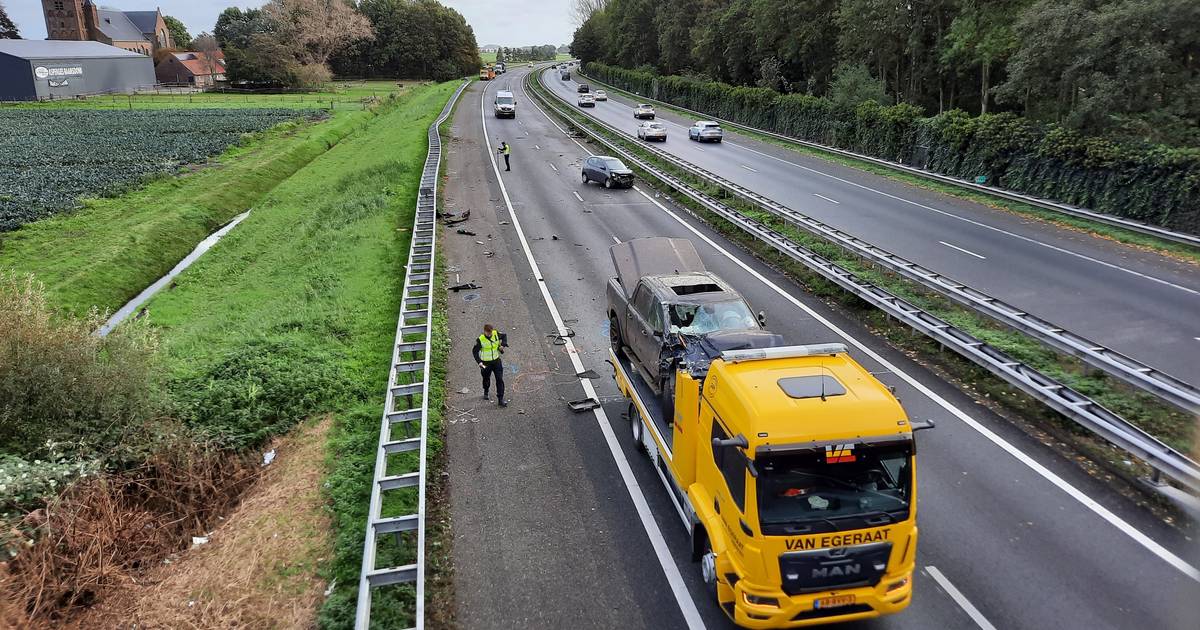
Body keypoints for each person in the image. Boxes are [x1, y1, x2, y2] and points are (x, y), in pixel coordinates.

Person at [472, 323, 509, 406]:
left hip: (496, 361)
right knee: (486, 379)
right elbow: (474, 351)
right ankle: (486, 390)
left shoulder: (495, 333)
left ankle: (500, 399)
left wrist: (503, 345)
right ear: (484, 331)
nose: (490, 334)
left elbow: (504, 336)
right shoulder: (480, 340)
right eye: (488, 333)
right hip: (485, 363)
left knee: (499, 379)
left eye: (490, 332)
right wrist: (479, 362)